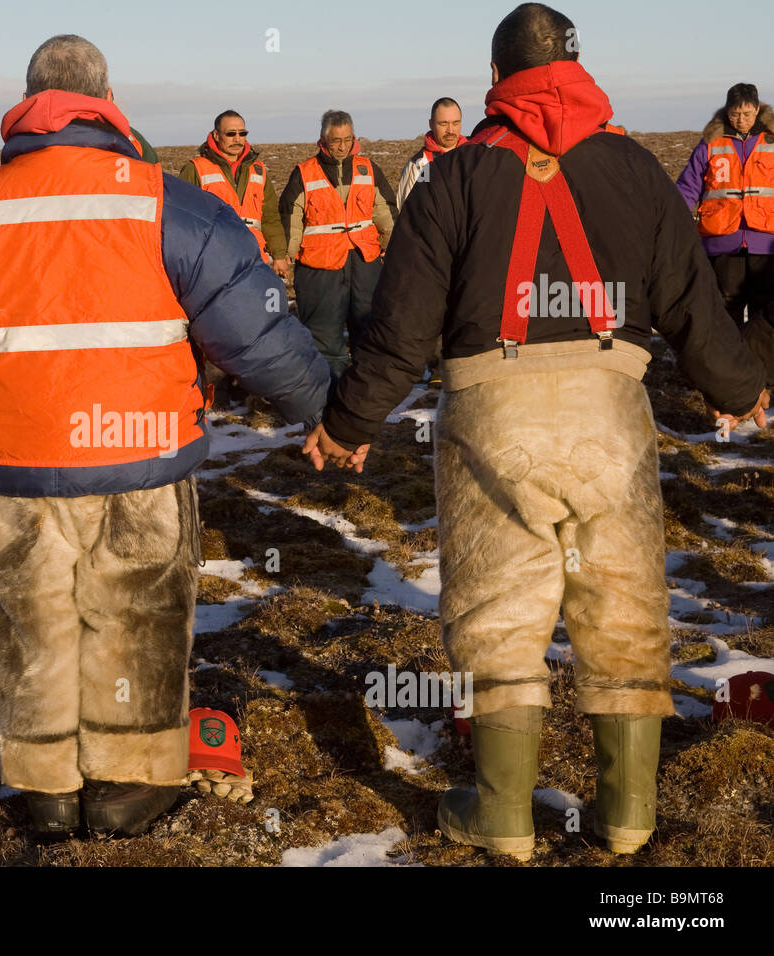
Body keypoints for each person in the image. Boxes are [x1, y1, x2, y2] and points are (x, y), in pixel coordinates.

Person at [304, 3, 770, 861]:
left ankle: (505, 818)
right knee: (623, 607)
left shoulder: (452, 177)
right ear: (579, 71)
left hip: (493, 415)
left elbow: (403, 325)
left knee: (500, 612)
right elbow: (692, 303)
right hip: (611, 412)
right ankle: (628, 816)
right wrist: (740, 390)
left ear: (495, 79)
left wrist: (347, 423)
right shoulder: (635, 168)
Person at [0, 34, 330, 839]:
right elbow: (255, 329)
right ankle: (127, 783)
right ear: (106, 102)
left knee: (31, 623)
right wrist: (327, 414)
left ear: (27, 104)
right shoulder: (168, 203)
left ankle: (46, 787)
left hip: (18, 463)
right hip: (142, 457)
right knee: (137, 613)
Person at [280, 110, 396, 373]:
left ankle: (367, 387)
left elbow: (385, 212)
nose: (342, 147)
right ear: (323, 140)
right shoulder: (304, 173)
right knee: (324, 337)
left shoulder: (368, 169)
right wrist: (285, 256)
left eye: (347, 139)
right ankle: (329, 389)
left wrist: (392, 247)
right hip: (320, 268)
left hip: (364, 263)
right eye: (336, 141)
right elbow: (290, 218)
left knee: (370, 331)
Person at [676, 83, 774, 326]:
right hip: (721, 240)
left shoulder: (772, 141)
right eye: (735, 114)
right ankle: (730, 350)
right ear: (726, 110)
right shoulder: (710, 143)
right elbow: (688, 187)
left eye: (747, 113)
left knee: (765, 308)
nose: (741, 120)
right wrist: (673, 221)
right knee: (725, 307)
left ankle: (758, 351)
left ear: (757, 109)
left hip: (766, 241)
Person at [179, 110, 289, 278]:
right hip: (213, 263)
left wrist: (279, 255)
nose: (237, 139)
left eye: (242, 133)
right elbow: (182, 219)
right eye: (231, 134)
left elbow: (270, 217)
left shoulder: (258, 170)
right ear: (216, 135)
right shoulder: (195, 169)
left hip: (254, 260)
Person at [396, 97, 463, 212]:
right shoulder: (420, 164)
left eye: (456, 123)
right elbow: (406, 212)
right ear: (431, 124)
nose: (450, 130)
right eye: (443, 124)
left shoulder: (475, 158)